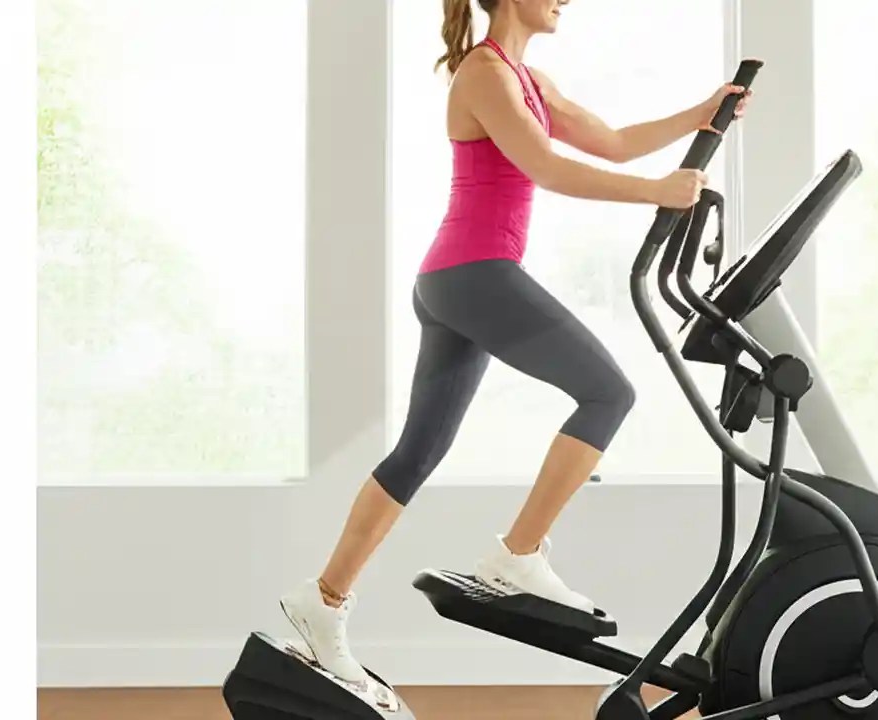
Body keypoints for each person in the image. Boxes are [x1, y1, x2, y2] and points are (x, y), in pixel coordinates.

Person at [279, 0, 753, 687]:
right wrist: (658, 193)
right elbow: (548, 168)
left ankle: (320, 603)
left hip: (458, 279)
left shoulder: (530, 81)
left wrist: (703, 113)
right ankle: (518, 555)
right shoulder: (483, 74)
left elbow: (613, 141)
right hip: (473, 275)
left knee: (417, 453)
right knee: (608, 392)